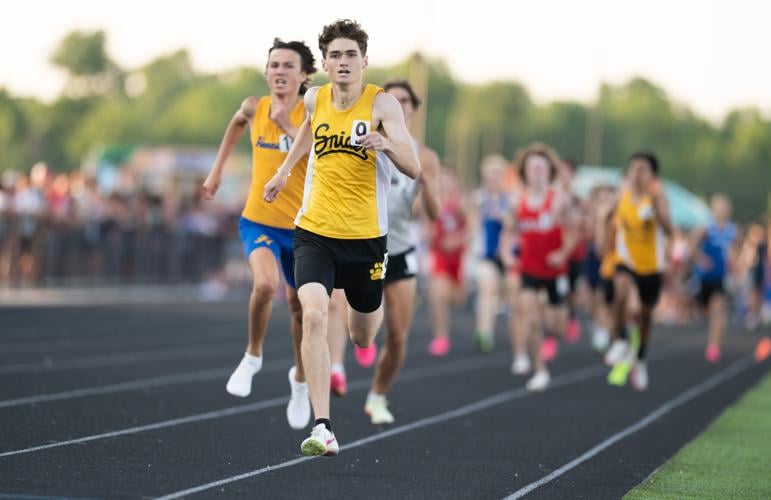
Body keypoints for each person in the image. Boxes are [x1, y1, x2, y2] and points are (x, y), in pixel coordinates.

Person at [263, 19, 421, 457]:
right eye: (335, 55)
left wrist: (387, 145)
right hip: (315, 230)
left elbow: (414, 166)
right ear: (326, 63)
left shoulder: (383, 105)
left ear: (364, 61)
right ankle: (322, 426)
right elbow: (309, 133)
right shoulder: (315, 98)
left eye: (351, 54)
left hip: (367, 239)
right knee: (313, 314)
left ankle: (368, 306)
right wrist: (282, 171)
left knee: (363, 337)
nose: (343, 62)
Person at [202, 39, 316, 430]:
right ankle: (252, 356)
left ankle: (300, 381)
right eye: (274, 65)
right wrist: (218, 170)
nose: (280, 72)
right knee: (265, 286)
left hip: (303, 229)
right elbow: (236, 123)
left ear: (304, 76)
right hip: (259, 220)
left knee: (301, 306)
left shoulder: (312, 113)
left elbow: (321, 152)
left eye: (288, 66)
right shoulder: (255, 107)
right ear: (266, 72)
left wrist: (289, 126)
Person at [363, 79, 440, 424]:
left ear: (412, 109)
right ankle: (334, 366)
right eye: (391, 99)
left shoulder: (424, 155)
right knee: (350, 321)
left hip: (402, 248)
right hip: (363, 246)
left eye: (405, 100)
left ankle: (378, 396)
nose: (399, 105)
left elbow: (434, 214)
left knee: (397, 333)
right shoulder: (362, 139)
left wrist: (426, 182)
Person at [500, 143, 577, 391]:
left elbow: (574, 232)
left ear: (549, 171)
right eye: (532, 167)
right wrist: (506, 254)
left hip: (555, 271)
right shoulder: (517, 202)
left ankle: (553, 334)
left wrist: (562, 252)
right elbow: (508, 232)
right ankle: (540, 370)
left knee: (557, 327)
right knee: (532, 319)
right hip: (529, 270)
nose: (536, 172)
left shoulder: (559, 199)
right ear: (524, 172)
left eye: (541, 167)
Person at [607, 152, 672, 391]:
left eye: (643, 169)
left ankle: (640, 358)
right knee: (623, 293)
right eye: (633, 168)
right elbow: (607, 220)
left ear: (652, 175)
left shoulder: (658, 197)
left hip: (651, 266)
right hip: (625, 261)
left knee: (644, 317)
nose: (637, 173)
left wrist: (658, 212)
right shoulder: (620, 195)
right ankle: (620, 340)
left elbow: (669, 229)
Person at [690, 194, 738, 362]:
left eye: (725, 209)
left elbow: (733, 251)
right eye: (719, 209)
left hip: (720, 277)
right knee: (705, 311)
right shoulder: (706, 228)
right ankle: (706, 322)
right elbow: (692, 246)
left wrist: (734, 266)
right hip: (704, 278)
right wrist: (700, 258)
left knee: (718, 309)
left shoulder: (732, 230)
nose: (722, 212)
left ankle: (714, 346)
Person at [426, 169, 469, 356]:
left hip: (459, 258)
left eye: (447, 181)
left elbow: (472, 228)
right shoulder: (432, 202)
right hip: (440, 257)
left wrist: (458, 239)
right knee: (436, 295)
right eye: (440, 181)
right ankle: (440, 336)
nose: (443, 184)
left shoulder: (461, 203)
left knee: (458, 301)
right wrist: (430, 235)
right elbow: (426, 229)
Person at [471, 155, 511, 353]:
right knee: (487, 290)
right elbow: (471, 226)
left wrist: (503, 216)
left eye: (498, 173)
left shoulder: (510, 199)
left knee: (507, 295)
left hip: (508, 256)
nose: (494, 178)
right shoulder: (478, 198)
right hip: (486, 254)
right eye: (490, 173)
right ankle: (484, 332)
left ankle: (515, 337)